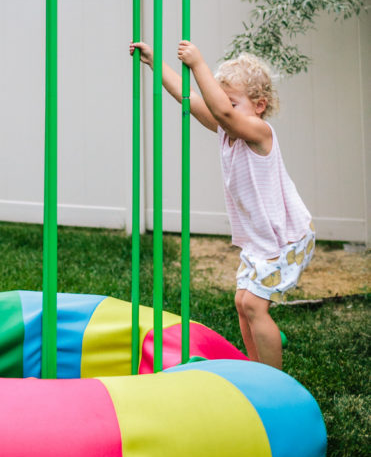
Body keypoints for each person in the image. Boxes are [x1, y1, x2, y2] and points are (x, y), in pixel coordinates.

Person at [130, 39, 315, 369]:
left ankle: (274, 381)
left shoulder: (259, 132)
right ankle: (256, 367)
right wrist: (156, 63)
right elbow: (191, 99)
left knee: (256, 307)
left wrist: (199, 64)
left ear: (259, 105)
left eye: (231, 101)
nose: (221, 108)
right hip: (262, 239)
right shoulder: (226, 129)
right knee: (242, 301)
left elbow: (222, 111)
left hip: (286, 238)